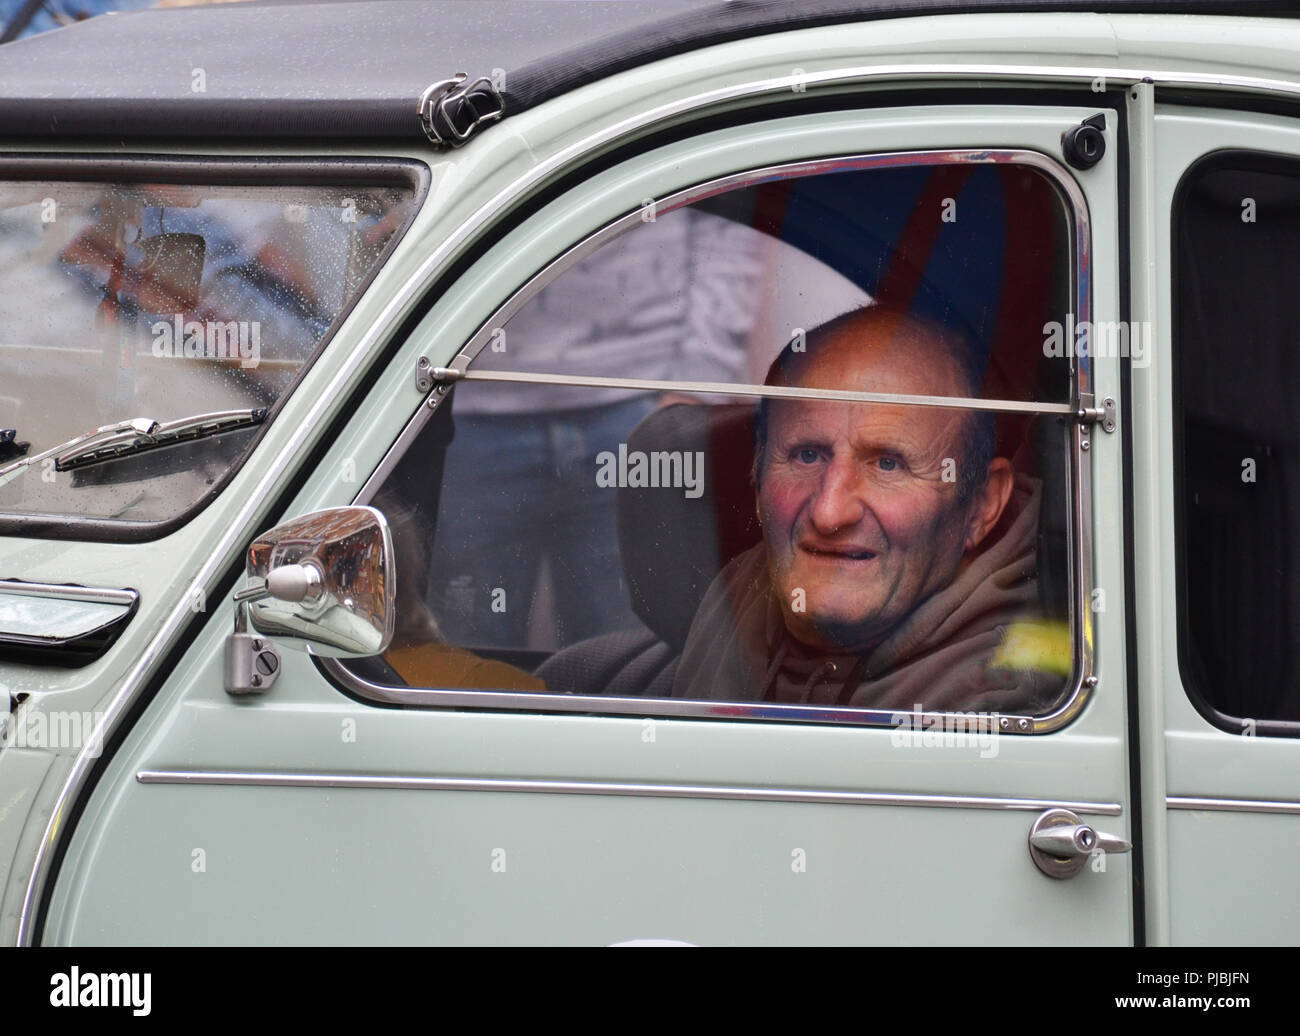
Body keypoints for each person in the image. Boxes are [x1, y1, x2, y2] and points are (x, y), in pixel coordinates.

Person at [670, 304, 1065, 714]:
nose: (829, 513)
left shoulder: (1013, 709)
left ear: (982, 505)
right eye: (807, 455)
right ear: (757, 474)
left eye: (888, 465)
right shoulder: (736, 595)